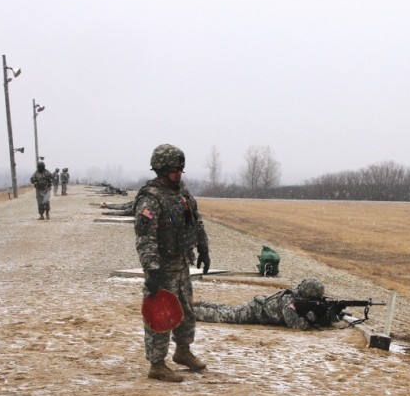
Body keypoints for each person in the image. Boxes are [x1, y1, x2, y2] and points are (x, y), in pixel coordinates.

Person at [134, 144, 210, 382]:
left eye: (181, 169)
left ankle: (183, 351)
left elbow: (196, 221)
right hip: (162, 268)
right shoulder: (151, 199)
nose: (179, 173)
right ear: (161, 169)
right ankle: (157, 364)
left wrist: (204, 248)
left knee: (186, 310)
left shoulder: (182, 193)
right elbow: (146, 239)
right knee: (160, 314)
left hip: (181, 263)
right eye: (174, 170)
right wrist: (152, 270)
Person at [193, 278, 326, 329]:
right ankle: (191, 312)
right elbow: (296, 325)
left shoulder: (298, 297)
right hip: (255, 312)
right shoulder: (289, 300)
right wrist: (314, 315)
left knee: (226, 309)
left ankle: (199, 303)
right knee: (222, 316)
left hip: (257, 306)